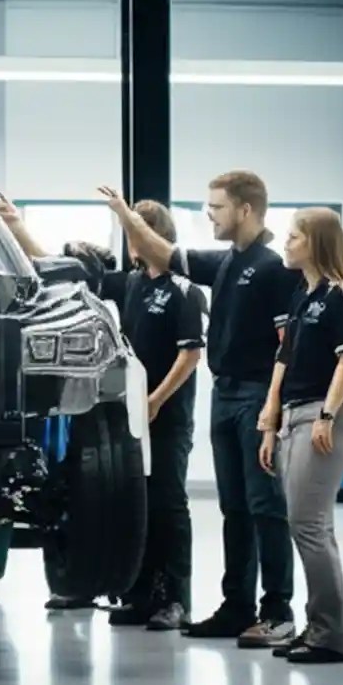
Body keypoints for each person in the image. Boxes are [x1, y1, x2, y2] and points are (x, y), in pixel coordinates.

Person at [102, 171, 302, 649]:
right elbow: (165, 253)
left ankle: (278, 610)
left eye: (217, 207)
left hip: (257, 396)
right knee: (235, 507)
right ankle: (238, 606)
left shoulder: (274, 268)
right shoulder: (225, 263)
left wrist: (272, 409)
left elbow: (287, 346)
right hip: (226, 394)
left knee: (265, 507)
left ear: (245, 210)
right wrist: (127, 219)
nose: (209, 215)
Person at [257, 207, 343, 664]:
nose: (286, 243)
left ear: (316, 242)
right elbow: (284, 359)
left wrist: (326, 414)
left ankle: (331, 636)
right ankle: (321, 627)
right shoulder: (303, 297)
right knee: (309, 525)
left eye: (294, 236)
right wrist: (270, 416)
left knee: (308, 526)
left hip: (327, 418)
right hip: (294, 415)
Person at [96, 199, 206, 631]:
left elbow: (190, 355)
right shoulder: (131, 284)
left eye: (134, 232)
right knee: (137, 504)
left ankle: (176, 599)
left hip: (168, 416)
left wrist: (157, 399)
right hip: (131, 415)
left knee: (168, 504)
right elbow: (72, 276)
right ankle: (141, 596)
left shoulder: (185, 290)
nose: (130, 243)